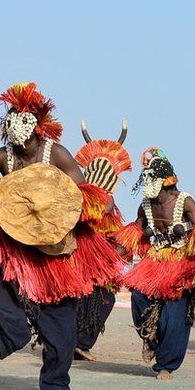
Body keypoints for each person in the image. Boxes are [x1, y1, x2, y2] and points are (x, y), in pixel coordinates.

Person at [0, 82, 121, 390]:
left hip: (55, 247)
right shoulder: (1, 157)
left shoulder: (56, 153)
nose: (17, 123)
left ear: (38, 124)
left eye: (23, 117)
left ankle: (56, 381)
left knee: (61, 320)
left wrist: (98, 204)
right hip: (13, 243)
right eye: (11, 117)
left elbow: (85, 193)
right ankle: (5, 336)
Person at [115, 149, 195, 380]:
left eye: (151, 179)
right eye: (146, 178)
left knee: (174, 317)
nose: (146, 182)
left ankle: (166, 365)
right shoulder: (145, 206)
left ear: (165, 181)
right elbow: (134, 234)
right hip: (154, 262)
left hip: (181, 264)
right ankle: (150, 339)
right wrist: (108, 258)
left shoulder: (185, 201)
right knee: (138, 297)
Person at [73, 120, 132, 361]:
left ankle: (79, 342)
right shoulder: (97, 200)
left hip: (99, 260)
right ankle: (78, 341)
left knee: (99, 297)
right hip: (83, 256)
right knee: (88, 297)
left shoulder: (105, 203)